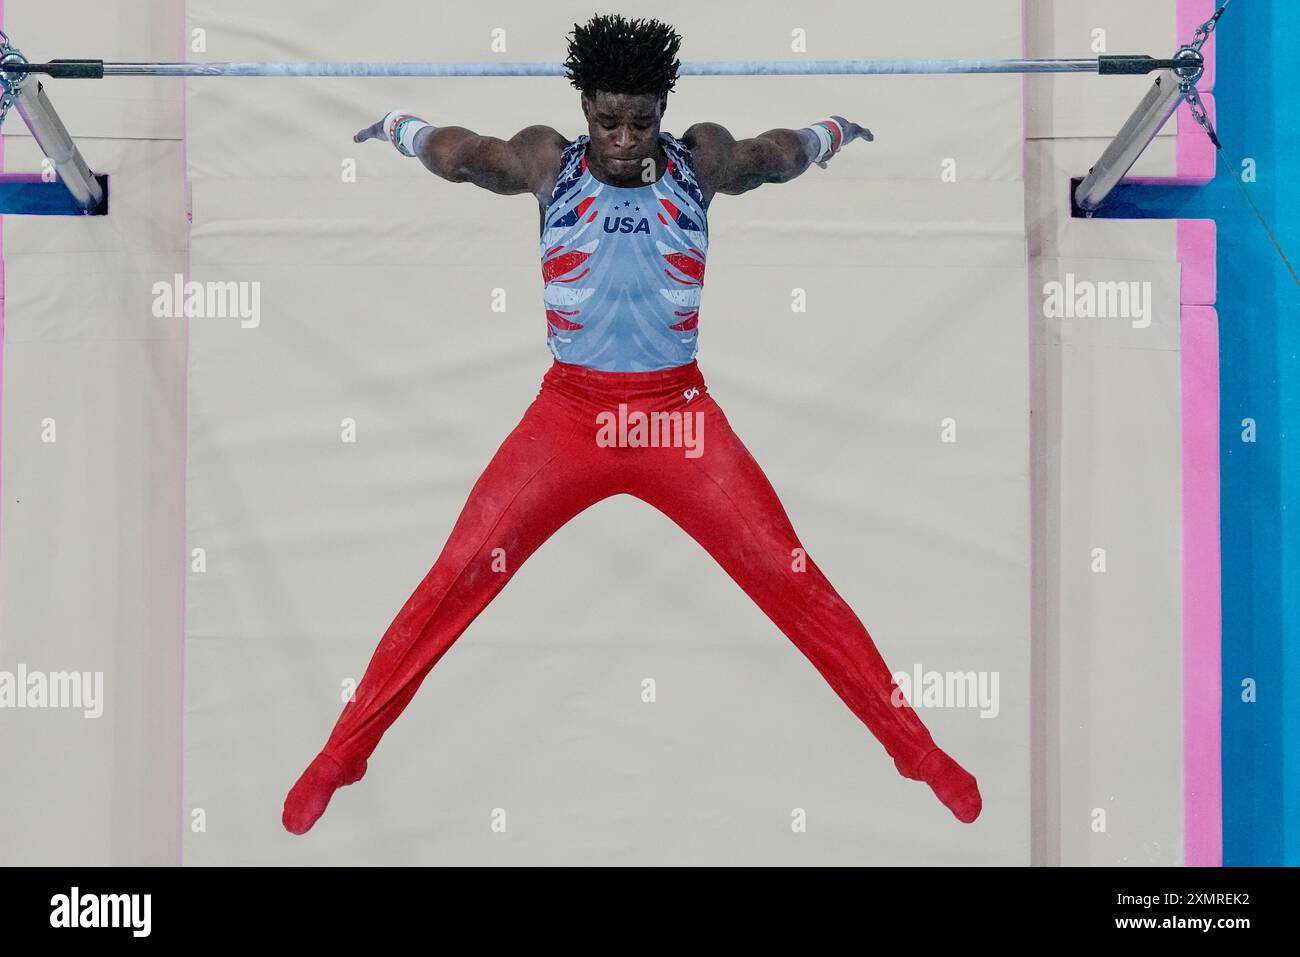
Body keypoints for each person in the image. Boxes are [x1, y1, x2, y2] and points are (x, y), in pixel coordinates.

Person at [283, 13, 981, 835]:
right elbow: (463, 158)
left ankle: (917, 750)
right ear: (583, 110)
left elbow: (780, 156)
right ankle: (342, 753)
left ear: (665, 109)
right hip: (569, 419)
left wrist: (832, 132)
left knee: (791, 578)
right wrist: (402, 129)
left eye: (641, 122)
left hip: (677, 420)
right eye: (607, 121)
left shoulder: (703, 160)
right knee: (458, 572)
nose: (623, 140)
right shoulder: (548, 164)